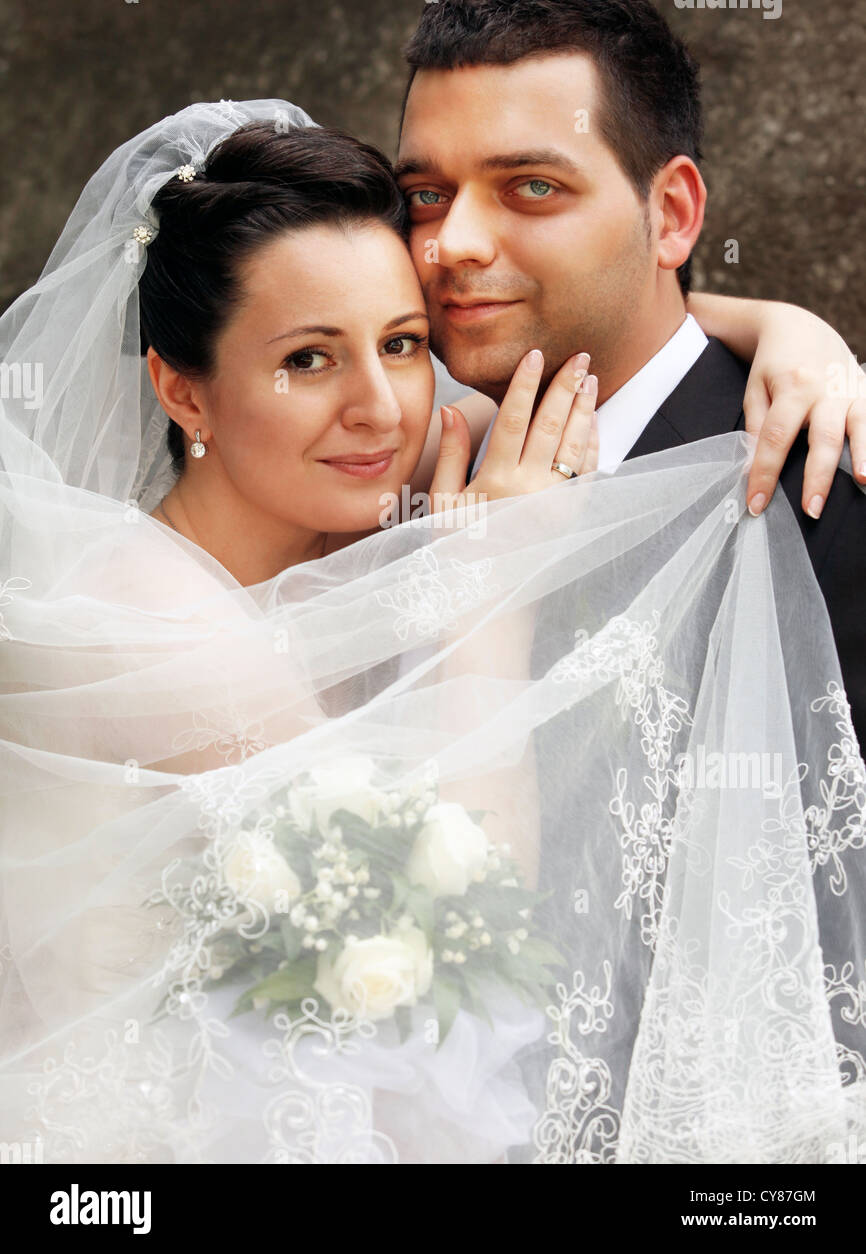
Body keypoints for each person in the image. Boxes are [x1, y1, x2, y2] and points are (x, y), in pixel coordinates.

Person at [0, 99, 864, 1165]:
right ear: (183, 390)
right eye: (307, 359)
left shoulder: (342, 468)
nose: (379, 407)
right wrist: (489, 594)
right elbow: (458, 950)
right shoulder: (152, 624)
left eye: (402, 342)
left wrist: (784, 329)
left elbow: (601, 343)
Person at [396, 0, 866, 750]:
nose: (456, 243)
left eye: (532, 187)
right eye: (427, 196)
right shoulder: (382, 472)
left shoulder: (833, 493)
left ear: (672, 215)